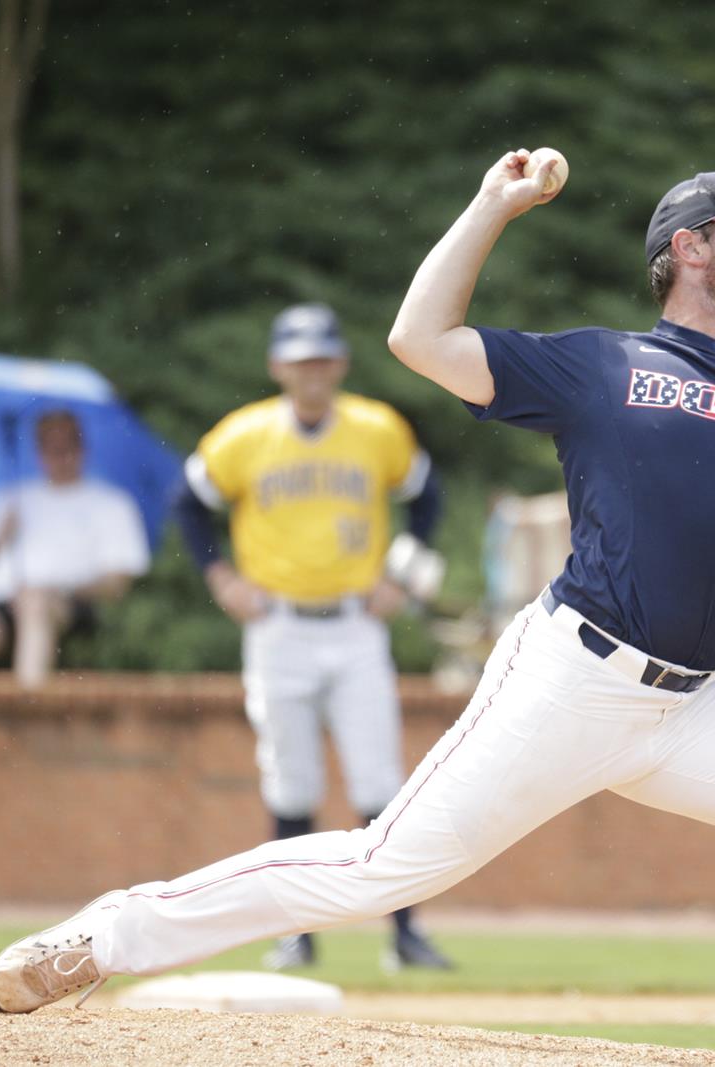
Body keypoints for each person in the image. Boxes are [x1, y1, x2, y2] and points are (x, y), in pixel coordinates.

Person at [0, 154, 715, 1067]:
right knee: (381, 869)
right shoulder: (600, 365)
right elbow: (420, 339)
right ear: (685, 250)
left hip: (695, 705)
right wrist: (492, 205)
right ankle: (99, 936)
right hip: (574, 674)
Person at [169, 302, 453, 972]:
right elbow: (188, 504)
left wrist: (404, 578)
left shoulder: (375, 428)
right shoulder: (244, 435)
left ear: (340, 363)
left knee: (380, 779)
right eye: (300, 360)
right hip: (280, 626)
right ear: (278, 367)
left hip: (356, 623)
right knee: (291, 784)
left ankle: (404, 934)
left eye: (322, 358)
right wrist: (221, 579)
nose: (312, 372)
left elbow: (429, 495)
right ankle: (295, 932)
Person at [0, 410, 149, 690]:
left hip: (70, 606)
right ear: (39, 451)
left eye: (67, 445)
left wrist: (56, 589)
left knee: (34, 605)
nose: (60, 455)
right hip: (4, 604)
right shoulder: (9, 499)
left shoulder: (112, 504)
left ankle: (28, 708)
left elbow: (117, 584)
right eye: (51, 447)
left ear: (82, 448)